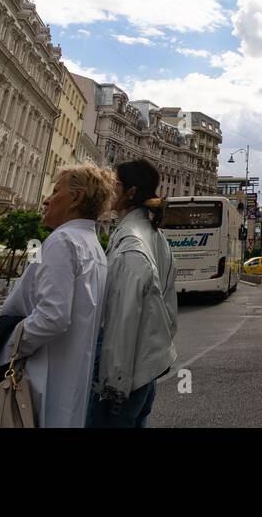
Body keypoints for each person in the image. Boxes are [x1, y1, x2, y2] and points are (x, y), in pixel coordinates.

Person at [0, 163, 110, 427]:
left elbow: (53, 317)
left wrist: (4, 346)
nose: (47, 200)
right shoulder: (93, 246)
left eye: (55, 191)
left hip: (40, 379)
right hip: (69, 383)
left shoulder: (63, 241)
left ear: (76, 197)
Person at [90, 159, 177, 429]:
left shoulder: (131, 244)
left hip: (125, 377)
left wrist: (113, 387)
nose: (109, 188)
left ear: (130, 191)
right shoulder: (154, 234)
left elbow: (122, 322)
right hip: (144, 371)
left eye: (115, 183)